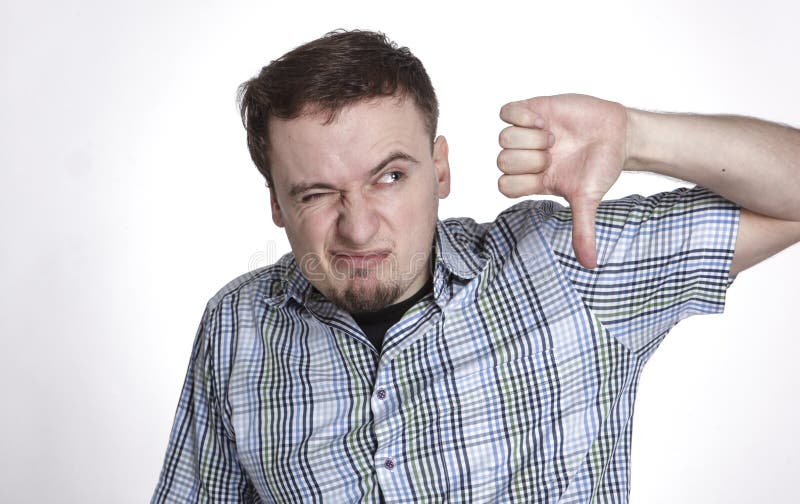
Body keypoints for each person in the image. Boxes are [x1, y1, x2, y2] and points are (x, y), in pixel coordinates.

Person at [151, 29, 800, 503]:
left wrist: (640, 137)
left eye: (389, 176)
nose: (356, 225)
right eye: (316, 193)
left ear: (440, 169)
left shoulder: (560, 265)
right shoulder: (238, 325)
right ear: (276, 205)